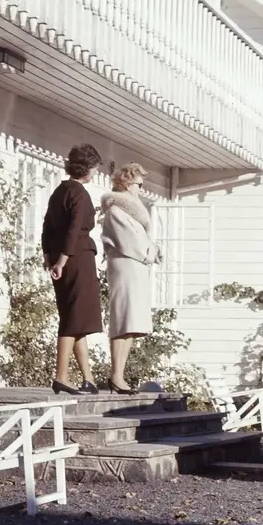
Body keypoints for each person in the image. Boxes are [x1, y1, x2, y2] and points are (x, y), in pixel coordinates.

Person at [41, 143, 104, 395]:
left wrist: (50, 257)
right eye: (94, 168)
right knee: (71, 319)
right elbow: (75, 229)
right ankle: (61, 377)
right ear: (85, 168)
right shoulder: (79, 194)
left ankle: (88, 379)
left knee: (75, 317)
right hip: (76, 259)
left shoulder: (59, 192)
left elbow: (47, 228)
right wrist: (62, 260)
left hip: (62, 258)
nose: (94, 173)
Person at [100, 163, 160, 393]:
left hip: (136, 268)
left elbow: (142, 240)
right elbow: (130, 243)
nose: (140, 189)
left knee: (132, 322)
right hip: (125, 266)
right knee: (123, 318)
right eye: (138, 184)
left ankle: (119, 375)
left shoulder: (133, 213)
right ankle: (116, 375)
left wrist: (151, 249)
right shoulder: (115, 211)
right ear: (125, 183)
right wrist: (150, 252)